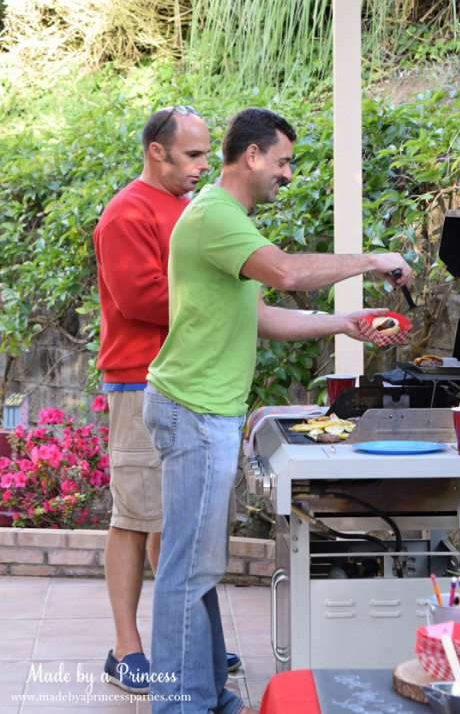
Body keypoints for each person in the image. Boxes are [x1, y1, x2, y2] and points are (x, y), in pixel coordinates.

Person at [143, 107, 412, 713]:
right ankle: (177, 706)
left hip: (203, 411)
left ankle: (207, 696)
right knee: (188, 574)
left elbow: (258, 316)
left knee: (198, 569)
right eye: (283, 161)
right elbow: (289, 272)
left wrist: (345, 322)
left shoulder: (224, 219)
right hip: (193, 411)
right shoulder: (217, 216)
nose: (288, 174)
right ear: (253, 156)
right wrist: (372, 261)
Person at [93, 105, 240, 695]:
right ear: (158, 151)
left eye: (207, 154)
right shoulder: (127, 211)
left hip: (179, 380)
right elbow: (139, 299)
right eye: (194, 156)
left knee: (173, 521)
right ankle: (126, 649)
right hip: (138, 379)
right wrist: (225, 300)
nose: (205, 167)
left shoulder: (185, 208)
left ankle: (188, 647)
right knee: (134, 516)